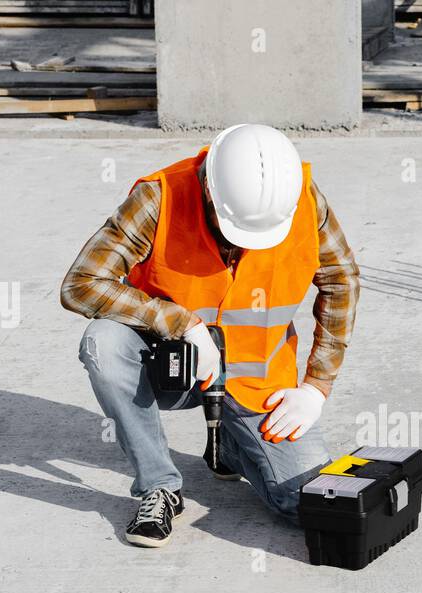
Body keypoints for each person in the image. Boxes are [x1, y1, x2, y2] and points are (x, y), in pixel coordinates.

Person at [60, 124, 360, 547]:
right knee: (104, 343)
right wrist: (181, 323)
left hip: (255, 376)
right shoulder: (159, 199)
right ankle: (159, 486)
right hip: (170, 365)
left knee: (307, 504)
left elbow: (341, 278)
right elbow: (81, 283)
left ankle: (232, 445)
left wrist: (317, 386)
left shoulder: (302, 200)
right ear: (208, 190)